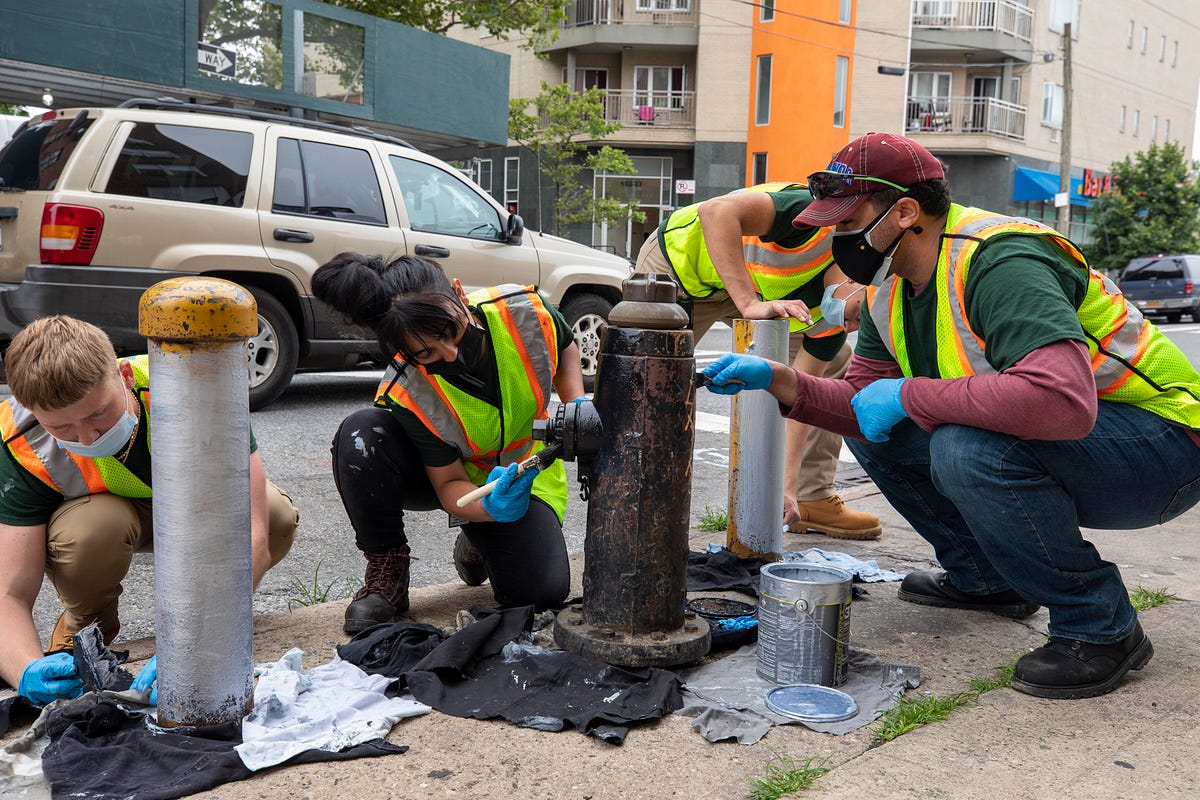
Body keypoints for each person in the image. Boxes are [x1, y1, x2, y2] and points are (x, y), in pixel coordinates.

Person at [701, 132, 1200, 699]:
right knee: (881, 430)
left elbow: (1063, 403)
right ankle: (987, 580)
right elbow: (867, 409)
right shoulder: (888, 287)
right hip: (1086, 446)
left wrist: (909, 396)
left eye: (846, 220)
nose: (835, 237)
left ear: (905, 211)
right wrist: (781, 381)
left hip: (1165, 447)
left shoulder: (1000, 259)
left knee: (966, 446)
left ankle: (1100, 626)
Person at [0, 316, 298, 706]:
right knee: (92, 531)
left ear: (123, 375)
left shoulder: (192, 387)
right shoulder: (20, 441)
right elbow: (9, 592)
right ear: (31, 410)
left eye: (97, 415)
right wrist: (23, 670)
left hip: (196, 511)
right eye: (62, 428)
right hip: (101, 524)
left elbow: (253, 536)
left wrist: (199, 642)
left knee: (275, 515)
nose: (88, 437)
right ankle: (83, 633)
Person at [313, 254, 584, 635]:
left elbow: (565, 343)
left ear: (458, 293)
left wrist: (574, 401)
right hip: (459, 482)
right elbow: (447, 484)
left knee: (541, 594)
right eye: (426, 353)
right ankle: (387, 566)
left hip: (524, 476)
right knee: (361, 436)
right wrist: (488, 507)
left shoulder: (523, 313)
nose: (451, 354)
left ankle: (477, 542)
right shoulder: (409, 389)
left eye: (450, 330)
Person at [636, 182, 881, 539]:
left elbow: (801, 397)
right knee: (655, 383)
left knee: (834, 361)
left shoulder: (832, 316)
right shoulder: (811, 215)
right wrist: (748, 304)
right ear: (860, 280)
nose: (852, 325)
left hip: (752, 287)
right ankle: (645, 517)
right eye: (860, 314)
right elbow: (716, 212)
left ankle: (809, 498)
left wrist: (786, 486)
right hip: (681, 268)